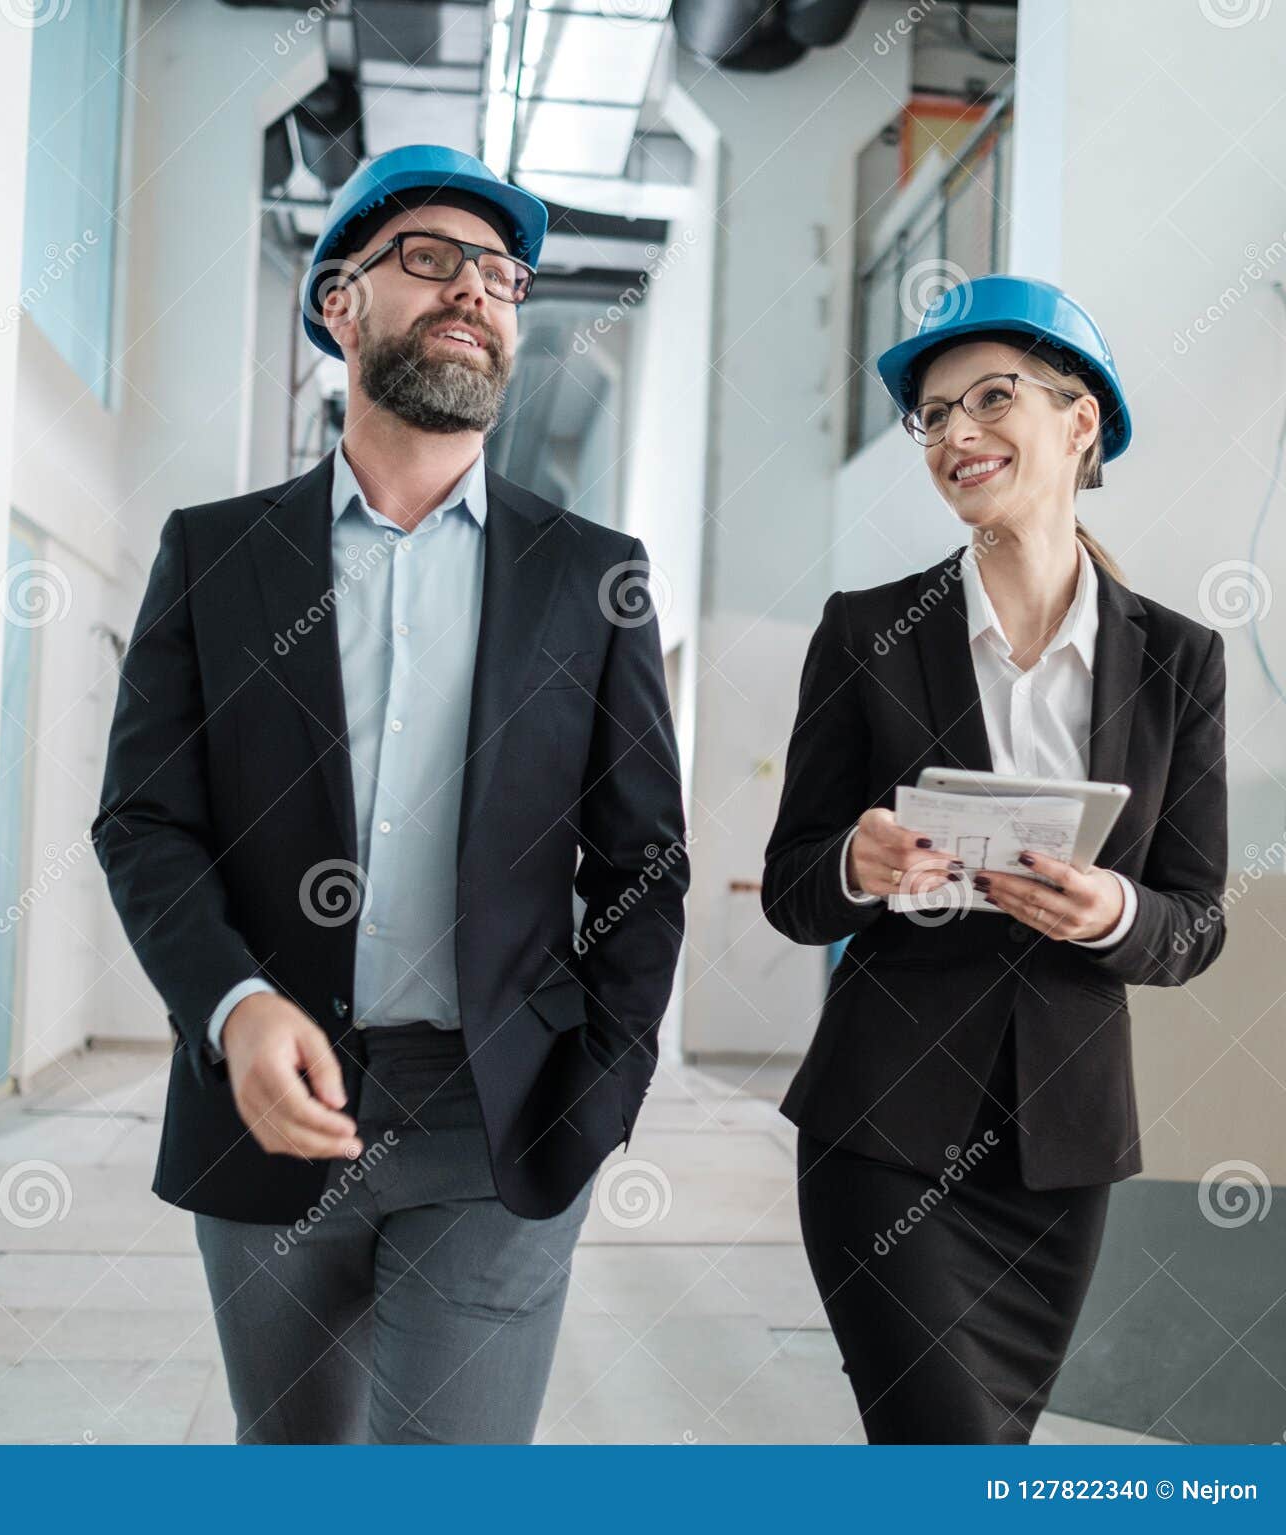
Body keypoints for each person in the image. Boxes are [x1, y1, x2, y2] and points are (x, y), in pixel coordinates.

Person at [91, 144, 688, 1444]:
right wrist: (235, 1005)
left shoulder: (593, 575)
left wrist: (601, 1089)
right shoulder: (218, 554)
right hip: (271, 1098)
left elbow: (643, 861)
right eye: (430, 258)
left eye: (502, 274)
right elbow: (145, 819)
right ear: (340, 302)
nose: (474, 288)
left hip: (499, 1111)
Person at [760, 275, 1228, 1443]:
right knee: (945, 1450)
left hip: (1058, 1149)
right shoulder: (866, 632)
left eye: (991, 397)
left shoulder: (1177, 661)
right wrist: (858, 863)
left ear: (1080, 421)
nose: (954, 432)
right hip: (879, 1126)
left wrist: (1109, 909)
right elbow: (792, 887)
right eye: (932, 414)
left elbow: (1194, 920)